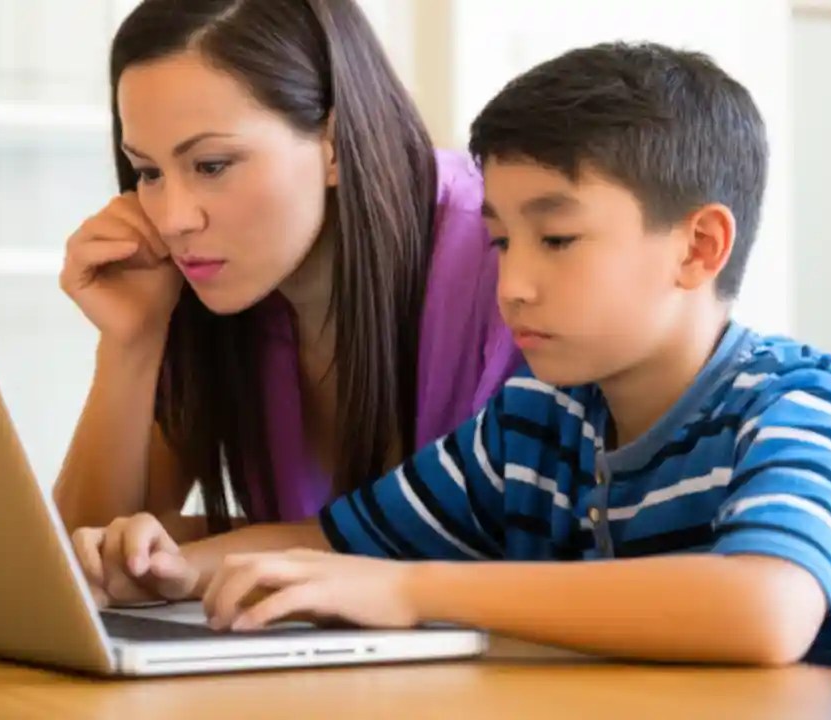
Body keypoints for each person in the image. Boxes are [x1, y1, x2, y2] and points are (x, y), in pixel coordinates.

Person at [91, 42, 831, 675]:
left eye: (556, 239)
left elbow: (766, 610)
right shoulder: (532, 425)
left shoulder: (801, 404)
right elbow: (340, 540)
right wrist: (174, 569)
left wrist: (418, 591)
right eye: (499, 240)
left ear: (699, 246)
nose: (514, 285)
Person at [53, 0, 520, 600]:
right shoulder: (215, 284)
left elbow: (503, 542)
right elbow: (84, 567)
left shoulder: (505, 254)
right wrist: (131, 343)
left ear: (332, 141)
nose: (172, 219)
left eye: (212, 165)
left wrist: (206, 554)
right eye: (147, 172)